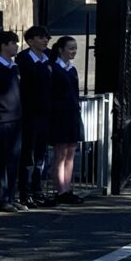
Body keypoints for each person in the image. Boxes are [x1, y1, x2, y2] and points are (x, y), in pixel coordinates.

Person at [0, 30, 24, 212]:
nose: (16, 46)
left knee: (13, 159)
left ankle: (10, 195)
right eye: (13, 43)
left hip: (16, 118)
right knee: (0, 161)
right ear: (3, 46)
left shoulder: (14, 66)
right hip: (1, 120)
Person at [18, 24, 54, 206]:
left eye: (46, 37)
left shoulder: (48, 57)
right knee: (28, 155)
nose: (45, 40)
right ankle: (25, 192)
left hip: (44, 113)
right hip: (29, 114)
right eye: (41, 37)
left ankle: (37, 189)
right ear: (30, 41)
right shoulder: (23, 59)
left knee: (41, 154)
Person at [46, 35, 85, 202]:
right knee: (60, 153)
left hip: (72, 114)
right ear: (60, 49)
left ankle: (67, 188)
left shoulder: (72, 69)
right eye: (70, 48)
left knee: (71, 152)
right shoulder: (53, 68)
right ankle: (60, 189)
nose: (73, 51)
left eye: (75, 48)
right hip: (59, 115)